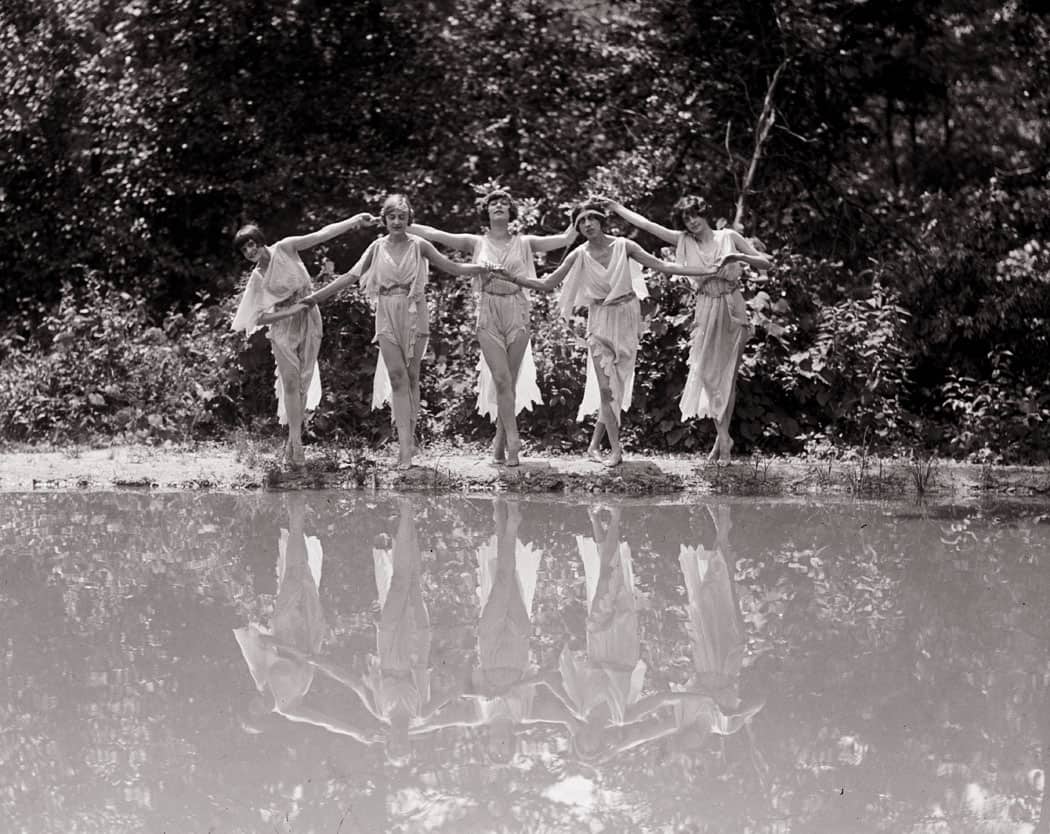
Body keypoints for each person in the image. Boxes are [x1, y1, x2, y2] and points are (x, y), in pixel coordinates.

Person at [285, 194, 505, 470]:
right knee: (398, 378)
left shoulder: (419, 245)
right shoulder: (377, 247)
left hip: (415, 312)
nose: (397, 221)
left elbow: (454, 267)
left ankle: (408, 443)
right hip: (386, 313)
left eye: (402, 217)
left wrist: (485, 268)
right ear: (385, 220)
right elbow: (350, 277)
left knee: (411, 379)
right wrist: (313, 298)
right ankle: (404, 451)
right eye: (392, 217)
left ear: (408, 219)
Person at [503, 200, 719, 467]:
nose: (587, 224)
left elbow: (666, 266)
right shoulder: (578, 254)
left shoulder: (624, 246)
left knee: (616, 387)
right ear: (577, 227)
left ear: (602, 221)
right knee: (606, 389)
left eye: (591, 218)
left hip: (627, 316)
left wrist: (709, 270)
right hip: (599, 320)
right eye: (581, 221)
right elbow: (548, 284)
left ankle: (594, 445)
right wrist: (513, 278)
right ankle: (616, 450)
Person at [409, 189, 577, 466]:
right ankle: (514, 441)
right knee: (501, 380)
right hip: (488, 310)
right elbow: (436, 234)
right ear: (486, 212)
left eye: (503, 204)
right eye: (493, 204)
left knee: (509, 382)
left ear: (511, 212)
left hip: (517, 309)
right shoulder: (476, 242)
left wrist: (581, 211)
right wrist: (404, 222)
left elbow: (566, 239)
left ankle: (499, 444)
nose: (498, 206)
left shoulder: (525, 242)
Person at [604, 196, 772, 463]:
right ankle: (724, 437)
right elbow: (648, 225)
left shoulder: (728, 236)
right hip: (706, 306)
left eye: (695, 214)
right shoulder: (683, 240)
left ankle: (723, 441)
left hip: (732, 305)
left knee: (727, 375)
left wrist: (738, 256)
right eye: (686, 218)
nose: (692, 221)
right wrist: (616, 208)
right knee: (706, 372)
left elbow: (766, 262)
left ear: (705, 213)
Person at [231, 211, 376, 468]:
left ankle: (292, 440)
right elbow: (254, 319)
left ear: (260, 240)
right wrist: (288, 311)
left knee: (303, 381)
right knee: (290, 381)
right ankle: (297, 445)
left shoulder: (285, 248)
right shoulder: (257, 278)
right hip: (284, 325)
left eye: (252, 244)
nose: (250, 251)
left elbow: (322, 234)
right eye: (245, 250)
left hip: (310, 315)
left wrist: (354, 221)